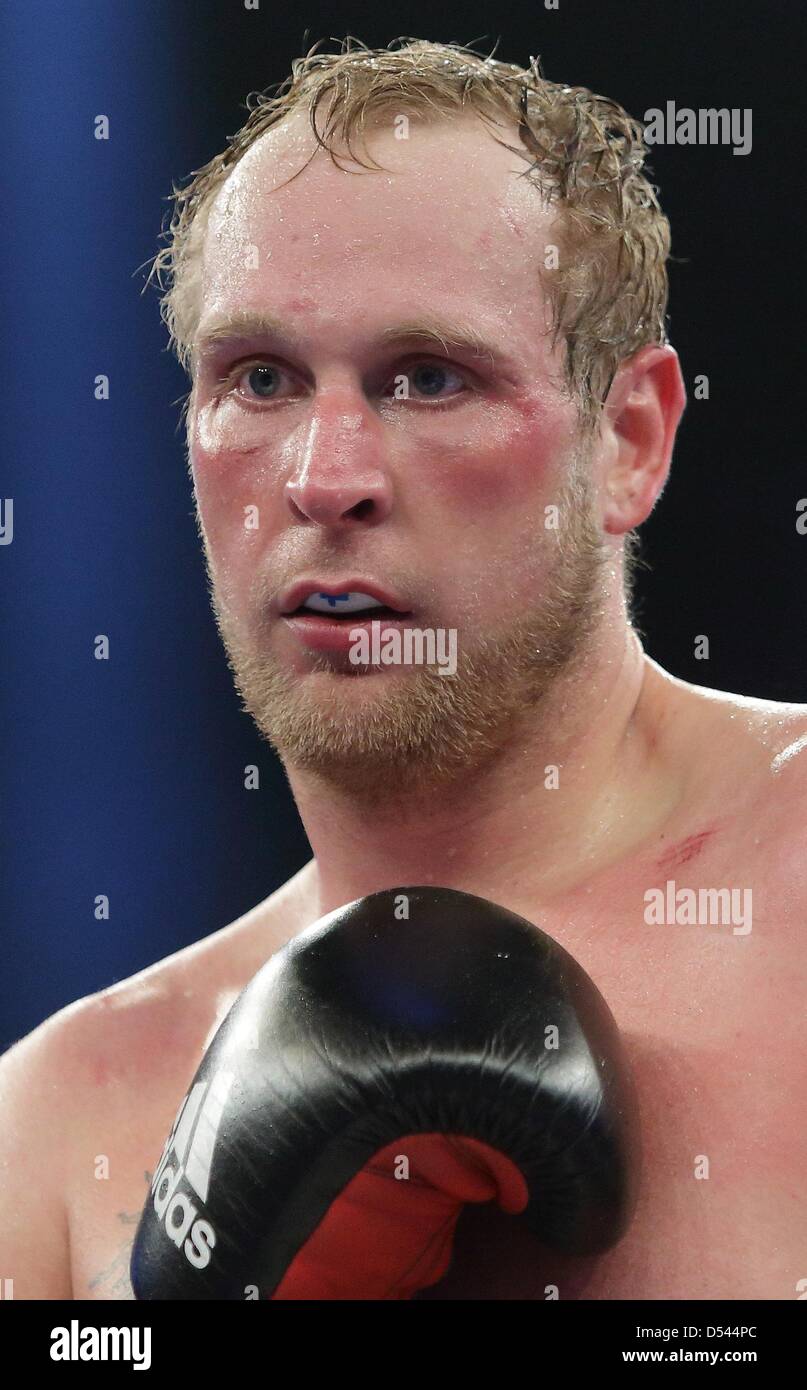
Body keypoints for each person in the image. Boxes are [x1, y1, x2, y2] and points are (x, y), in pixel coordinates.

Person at [1, 37, 805, 1301]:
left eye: (427, 378)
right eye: (258, 379)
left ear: (629, 441)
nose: (326, 479)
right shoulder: (53, 1128)